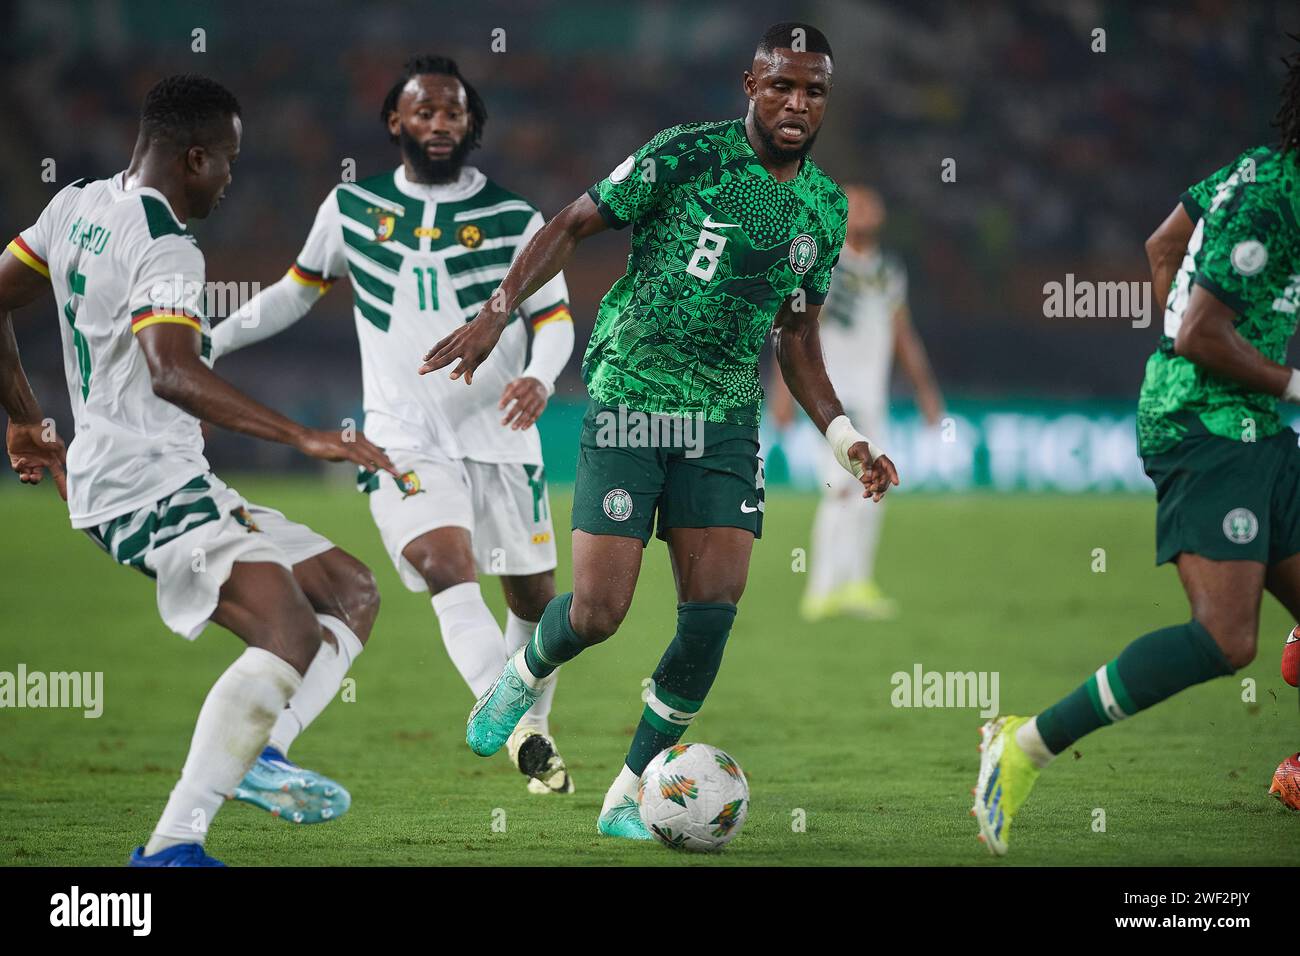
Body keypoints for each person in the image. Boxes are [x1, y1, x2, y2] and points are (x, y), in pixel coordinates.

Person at [421, 22, 899, 839]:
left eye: (813, 90)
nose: (796, 103)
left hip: (722, 420)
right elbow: (572, 222)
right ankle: (524, 670)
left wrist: (847, 437)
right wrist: (497, 317)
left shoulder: (824, 207)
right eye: (781, 85)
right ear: (751, 85)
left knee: (710, 616)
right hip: (633, 398)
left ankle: (627, 796)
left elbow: (797, 338)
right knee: (601, 611)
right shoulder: (686, 155)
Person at [1, 74, 398, 866]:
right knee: (288, 630)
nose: (229, 180)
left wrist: (22, 417)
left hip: (166, 480)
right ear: (194, 158)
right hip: (142, 487)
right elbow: (171, 371)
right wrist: (304, 437)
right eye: (228, 162)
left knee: (350, 590)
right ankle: (172, 849)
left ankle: (266, 754)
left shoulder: (73, 204)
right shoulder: (168, 244)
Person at [213, 56, 577, 794]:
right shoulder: (349, 209)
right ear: (395, 122)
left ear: (471, 124)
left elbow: (557, 319)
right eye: (424, 111)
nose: (439, 124)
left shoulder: (517, 219)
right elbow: (293, 293)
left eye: (453, 113)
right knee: (449, 566)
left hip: (503, 434)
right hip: (401, 436)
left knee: (535, 603)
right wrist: (208, 341)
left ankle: (532, 728)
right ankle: (507, 720)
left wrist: (540, 375)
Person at [974, 46, 1300, 855]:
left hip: (1251, 423)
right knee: (1226, 640)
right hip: (1208, 428)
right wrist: (1282, 382)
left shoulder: (1253, 170)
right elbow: (1197, 333)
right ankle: (1021, 748)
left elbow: (1163, 246)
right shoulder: (1276, 198)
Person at [769, 184, 942, 621]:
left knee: (876, 484)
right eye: (855, 204)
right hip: (832, 403)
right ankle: (822, 588)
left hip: (874, 398)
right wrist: (783, 394)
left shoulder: (887, 270)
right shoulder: (823, 264)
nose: (864, 210)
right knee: (841, 486)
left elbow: (902, 333)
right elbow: (794, 333)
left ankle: (857, 582)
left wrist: (926, 391)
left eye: (871, 202)